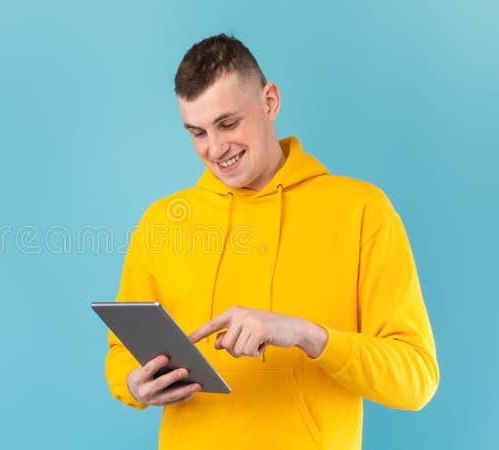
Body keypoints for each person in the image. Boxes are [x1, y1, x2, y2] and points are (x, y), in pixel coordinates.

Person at [103, 34, 439, 450]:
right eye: (198, 132)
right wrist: (133, 384)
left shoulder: (362, 210)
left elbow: (416, 380)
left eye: (228, 124)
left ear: (270, 102)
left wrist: (307, 335)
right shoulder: (162, 221)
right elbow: (121, 353)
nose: (216, 149)